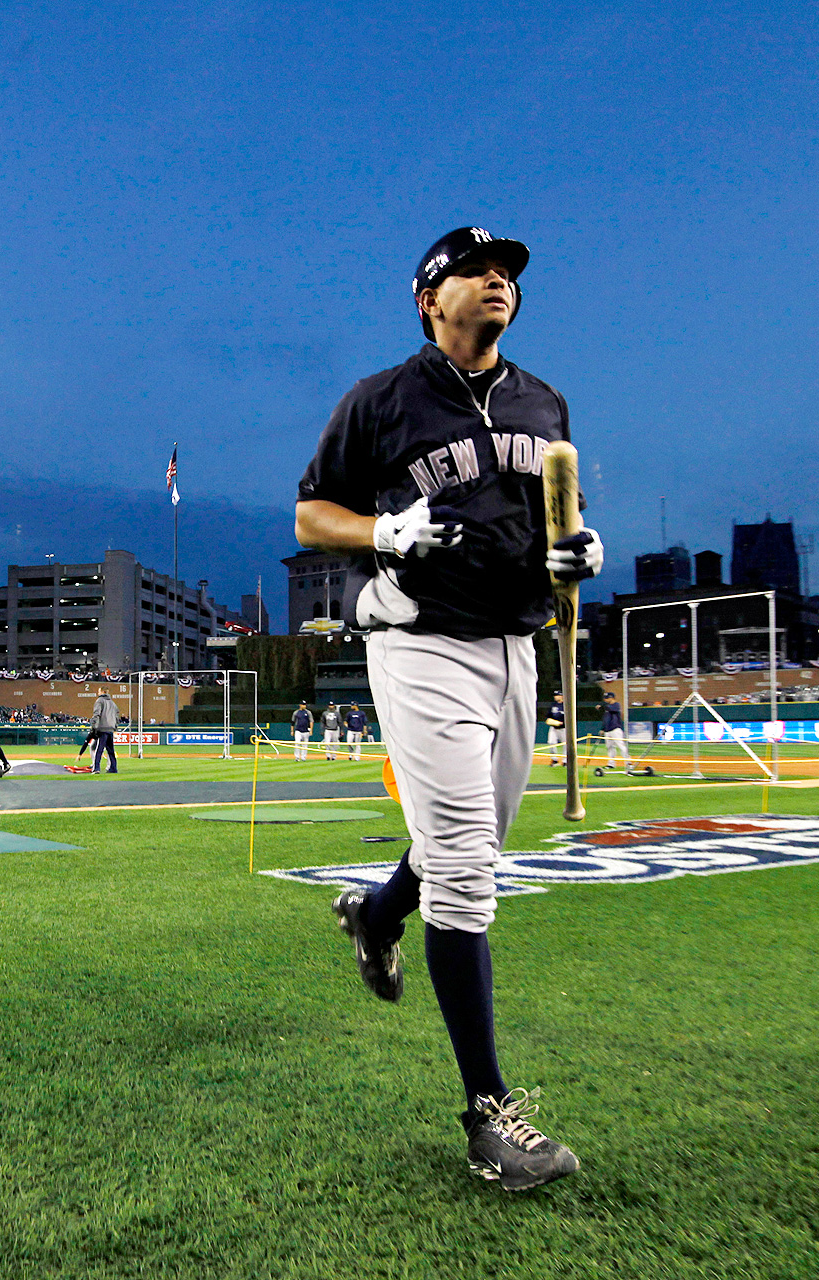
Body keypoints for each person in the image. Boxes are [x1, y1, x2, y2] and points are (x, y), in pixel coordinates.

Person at [297, 227, 602, 1192]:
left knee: (460, 847)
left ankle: (375, 915)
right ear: (431, 298)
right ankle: (489, 1118)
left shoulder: (543, 401)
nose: (498, 279)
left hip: (519, 645)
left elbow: (557, 517)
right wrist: (383, 531)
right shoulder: (382, 399)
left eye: (507, 272)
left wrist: (577, 549)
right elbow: (311, 515)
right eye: (477, 270)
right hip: (423, 641)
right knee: (466, 868)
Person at [90, 689, 121, 773]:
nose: (98, 693)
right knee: (111, 750)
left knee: (98, 749)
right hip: (111, 729)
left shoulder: (100, 701)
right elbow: (117, 717)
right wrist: (115, 728)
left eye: (99, 691)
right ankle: (113, 768)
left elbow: (96, 714)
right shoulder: (113, 703)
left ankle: (96, 768)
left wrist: (94, 727)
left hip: (102, 728)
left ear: (103, 692)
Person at [601, 690, 628, 769]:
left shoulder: (616, 705)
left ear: (611, 698)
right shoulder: (607, 707)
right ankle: (611, 764)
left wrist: (602, 707)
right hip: (607, 730)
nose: (605, 700)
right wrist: (603, 728)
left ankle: (628, 762)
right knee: (610, 747)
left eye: (606, 698)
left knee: (621, 746)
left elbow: (612, 709)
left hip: (615, 729)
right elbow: (605, 719)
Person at [545, 694, 566, 766]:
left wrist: (562, 723)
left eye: (557, 695)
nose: (555, 697)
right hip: (553, 728)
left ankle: (565, 761)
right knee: (551, 742)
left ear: (561, 696)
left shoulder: (566, 705)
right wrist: (551, 721)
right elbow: (548, 716)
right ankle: (554, 760)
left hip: (564, 729)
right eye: (555, 695)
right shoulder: (553, 705)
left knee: (566, 744)